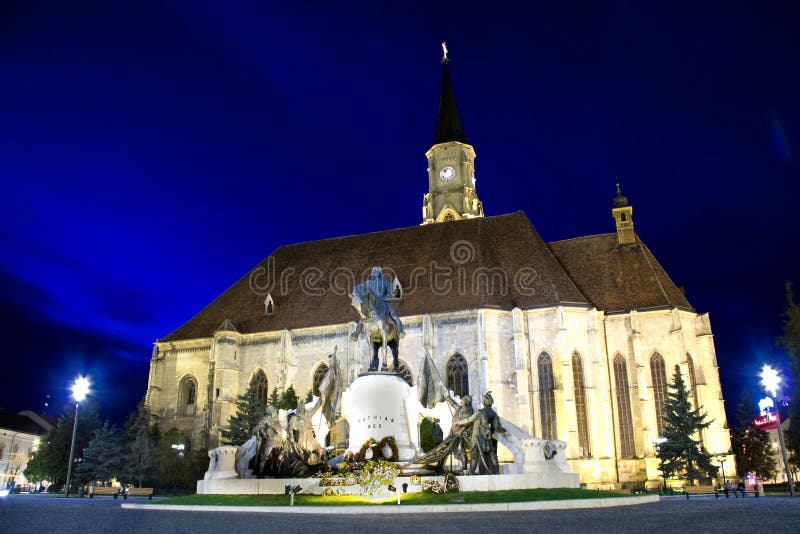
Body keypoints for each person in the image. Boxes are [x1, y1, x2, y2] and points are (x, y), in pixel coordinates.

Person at [467, 391, 507, 475]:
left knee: (474, 454)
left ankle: (471, 471)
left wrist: (458, 423)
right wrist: (503, 430)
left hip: (477, 435)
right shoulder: (493, 413)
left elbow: (469, 420)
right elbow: (497, 427)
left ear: (484, 401)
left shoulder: (480, 412)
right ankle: (496, 470)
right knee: (491, 452)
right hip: (486, 435)